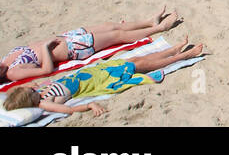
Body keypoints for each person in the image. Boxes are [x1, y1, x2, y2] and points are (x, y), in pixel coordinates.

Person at [3, 38, 204, 117]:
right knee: (138, 65)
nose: (32, 88)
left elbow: (35, 84)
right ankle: (184, 55)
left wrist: (38, 87)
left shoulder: (40, 92)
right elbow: (67, 109)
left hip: (91, 73)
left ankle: (173, 50)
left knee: (135, 60)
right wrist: (90, 106)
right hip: (96, 81)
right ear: (29, 100)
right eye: (30, 91)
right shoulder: (44, 104)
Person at [0, 8, 182, 84]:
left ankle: (149, 22)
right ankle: (159, 28)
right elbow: (46, 71)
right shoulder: (12, 72)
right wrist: (47, 48)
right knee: (117, 36)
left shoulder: (4, 61)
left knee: (109, 26)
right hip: (73, 48)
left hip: (65, 37)